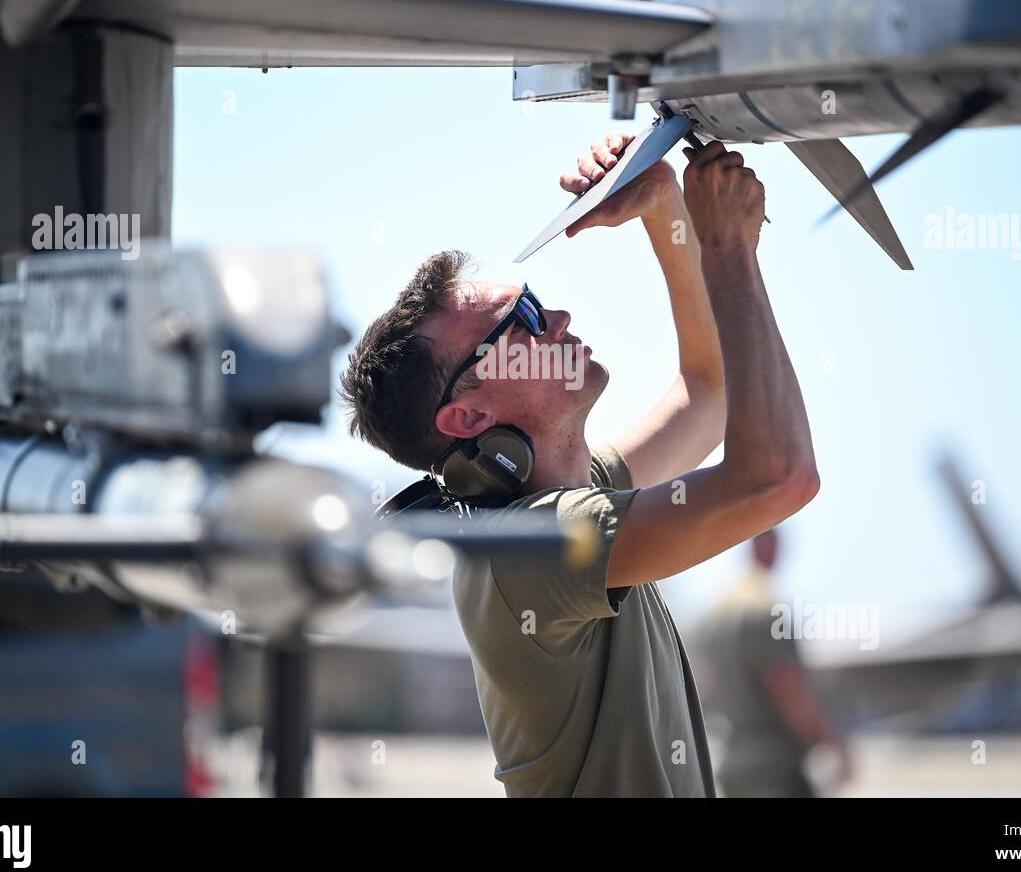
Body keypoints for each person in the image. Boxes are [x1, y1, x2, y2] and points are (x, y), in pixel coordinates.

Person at [340, 132, 819, 796]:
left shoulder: (566, 498)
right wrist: (728, 251)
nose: (558, 318)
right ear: (469, 417)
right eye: (523, 323)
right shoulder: (526, 549)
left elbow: (712, 395)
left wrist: (664, 208)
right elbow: (780, 477)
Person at [699, 528, 852, 797]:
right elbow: (786, 685)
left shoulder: (716, 613)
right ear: (768, 548)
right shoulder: (766, 609)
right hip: (774, 770)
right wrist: (832, 742)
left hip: (733, 765)